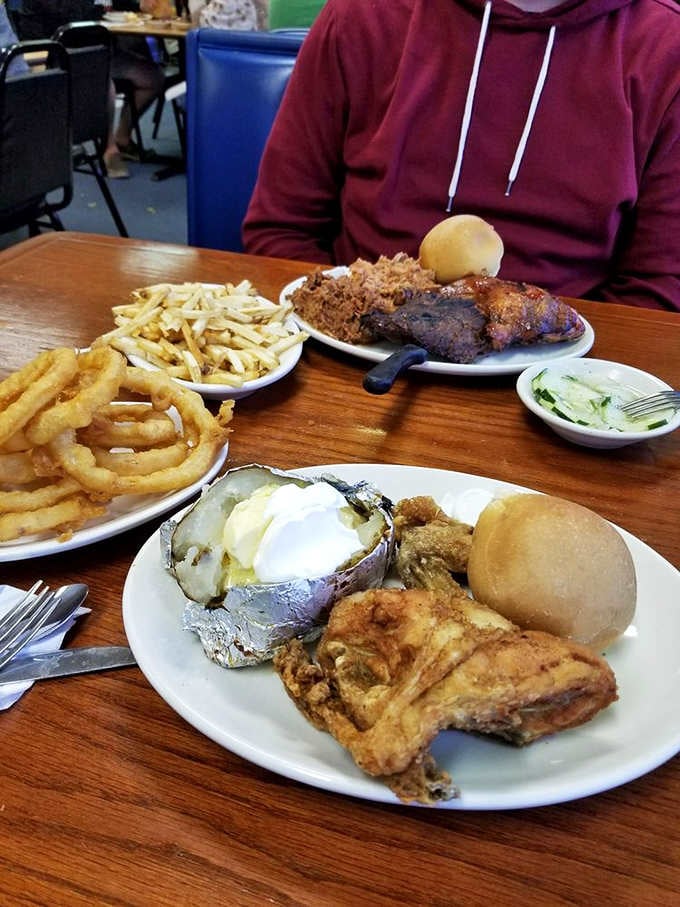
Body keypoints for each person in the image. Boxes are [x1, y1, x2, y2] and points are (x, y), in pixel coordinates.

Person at [243, 0, 680, 312]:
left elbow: (658, 291)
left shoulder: (664, 49)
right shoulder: (360, 16)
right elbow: (281, 230)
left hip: (561, 383)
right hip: (355, 360)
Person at [17, 0, 165, 178]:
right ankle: (109, 150)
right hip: (64, 56)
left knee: (153, 78)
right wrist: (97, 9)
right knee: (102, 83)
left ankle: (123, 137)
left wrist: (137, 5)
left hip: (102, 52)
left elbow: (111, 3)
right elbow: (42, 31)